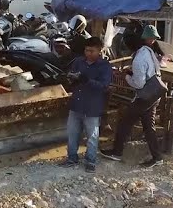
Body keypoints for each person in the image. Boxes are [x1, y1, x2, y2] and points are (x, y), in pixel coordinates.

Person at [101, 25, 164, 167]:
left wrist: (126, 78)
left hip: (145, 96)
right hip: (155, 93)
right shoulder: (147, 51)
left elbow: (139, 84)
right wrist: (129, 73)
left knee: (125, 123)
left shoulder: (139, 58)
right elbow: (147, 73)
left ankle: (117, 153)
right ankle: (157, 157)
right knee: (149, 126)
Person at [61, 36, 113, 173]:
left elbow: (104, 86)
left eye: (92, 51)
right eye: (86, 50)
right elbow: (71, 75)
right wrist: (71, 79)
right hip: (76, 104)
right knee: (72, 134)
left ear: (99, 51)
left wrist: (86, 80)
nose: (88, 53)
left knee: (92, 136)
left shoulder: (105, 66)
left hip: (92, 107)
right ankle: (72, 158)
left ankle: (91, 161)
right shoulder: (79, 62)